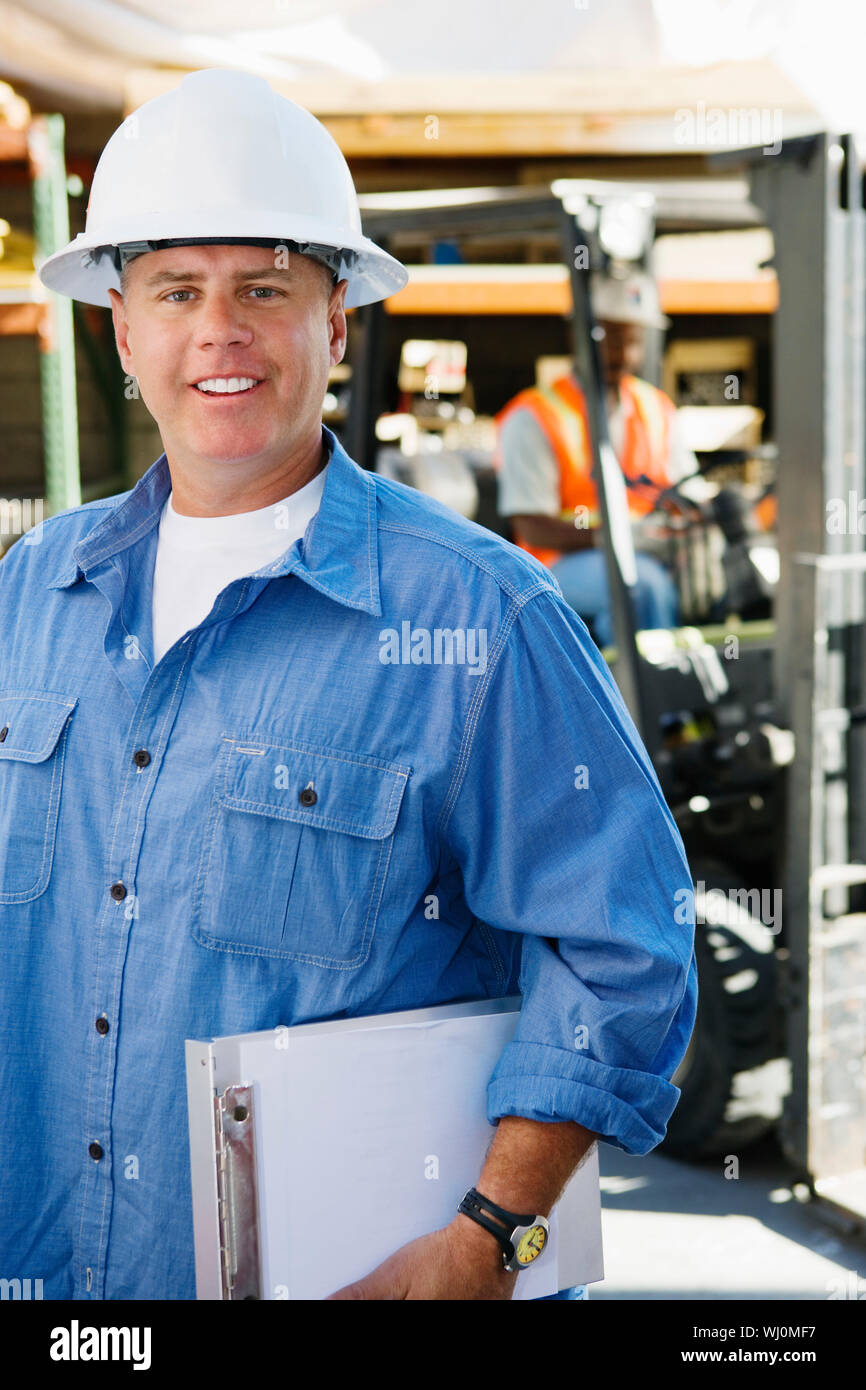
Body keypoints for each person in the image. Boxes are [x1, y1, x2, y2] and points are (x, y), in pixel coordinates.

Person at [0, 68, 696, 1301]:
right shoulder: (32, 593)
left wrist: (493, 1234)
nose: (218, 330)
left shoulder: (479, 617)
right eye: (176, 291)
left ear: (333, 323)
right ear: (122, 328)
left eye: (263, 288)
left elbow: (624, 948)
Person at [495, 271, 704, 647]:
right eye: (610, 338)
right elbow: (532, 528)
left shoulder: (655, 408)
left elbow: (686, 491)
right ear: (577, 332)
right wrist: (620, 540)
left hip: (648, 558)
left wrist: (700, 527)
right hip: (552, 567)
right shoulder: (535, 416)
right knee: (641, 589)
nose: (623, 355)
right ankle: (652, 706)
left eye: (633, 341)